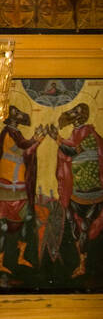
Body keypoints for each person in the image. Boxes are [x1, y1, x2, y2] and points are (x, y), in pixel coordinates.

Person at [0, 105, 47, 277]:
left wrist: (37, 140)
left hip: (17, 187)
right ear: (10, 119)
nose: (18, 119)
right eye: (15, 116)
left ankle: (20, 257)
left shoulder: (15, 133)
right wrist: (36, 140)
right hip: (6, 186)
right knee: (4, 227)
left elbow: (25, 150)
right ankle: (0, 263)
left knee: (27, 218)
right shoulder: (8, 134)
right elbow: (22, 149)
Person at [55, 102, 103, 279]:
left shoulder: (89, 135)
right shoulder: (75, 134)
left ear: (83, 116)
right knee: (73, 223)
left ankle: (83, 264)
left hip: (91, 191)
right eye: (74, 110)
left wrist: (57, 139)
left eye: (77, 111)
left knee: (84, 227)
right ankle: (81, 259)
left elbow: (73, 151)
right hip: (76, 190)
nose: (73, 113)